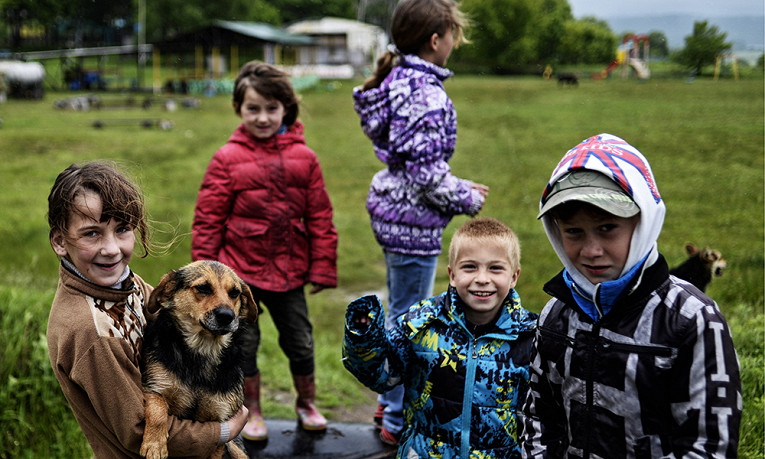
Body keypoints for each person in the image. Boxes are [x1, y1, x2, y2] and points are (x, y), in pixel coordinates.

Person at [521, 133, 742, 457]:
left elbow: (709, 445)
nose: (591, 250)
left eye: (608, 228)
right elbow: (539, 420)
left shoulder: (693, 319)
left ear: (643, 222)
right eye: (573, 232)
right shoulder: (556, 315)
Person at [352, 0, 489, 444]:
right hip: (412, 223)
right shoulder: (425, 93)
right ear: (436, 40)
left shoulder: (400, 81)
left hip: (396, 214)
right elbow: (426, 174)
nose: (454, 43)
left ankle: (385, 402)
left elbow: (413, 162)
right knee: (411, 316)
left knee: (401, 305)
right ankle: (395, 418)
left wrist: (455, 182)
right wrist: (466, 195)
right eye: (452, 36)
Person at [46, 162, 248, 458]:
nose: (112, 249)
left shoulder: (126, 284)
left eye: (122, 229)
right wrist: (225, 431)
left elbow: (177, 315)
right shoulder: (91, 332)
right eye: (92, 233)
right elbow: (136, 432)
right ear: (60, 241)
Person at [192, 61, 338, 441]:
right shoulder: (226, 159)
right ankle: (251, 411)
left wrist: (323, 267)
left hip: (290, 275)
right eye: (253, 108)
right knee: (243, 345)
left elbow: (320, 215)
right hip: (241, 278)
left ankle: (307, 403)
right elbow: (208, 220)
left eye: (271, 109)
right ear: (239, 108)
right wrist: (206, 279)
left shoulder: (306, 159)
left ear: (286, 109)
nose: (262, 117)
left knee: (300, 341)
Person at [343, 217, 538, 457]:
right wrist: (364, 337)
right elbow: (380, 377)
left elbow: (543, 417)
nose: (482, 278)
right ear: (452, 275)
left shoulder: (530, 336)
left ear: (514, 276)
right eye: (470, 267)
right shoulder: (423, 323)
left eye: (495, 268)